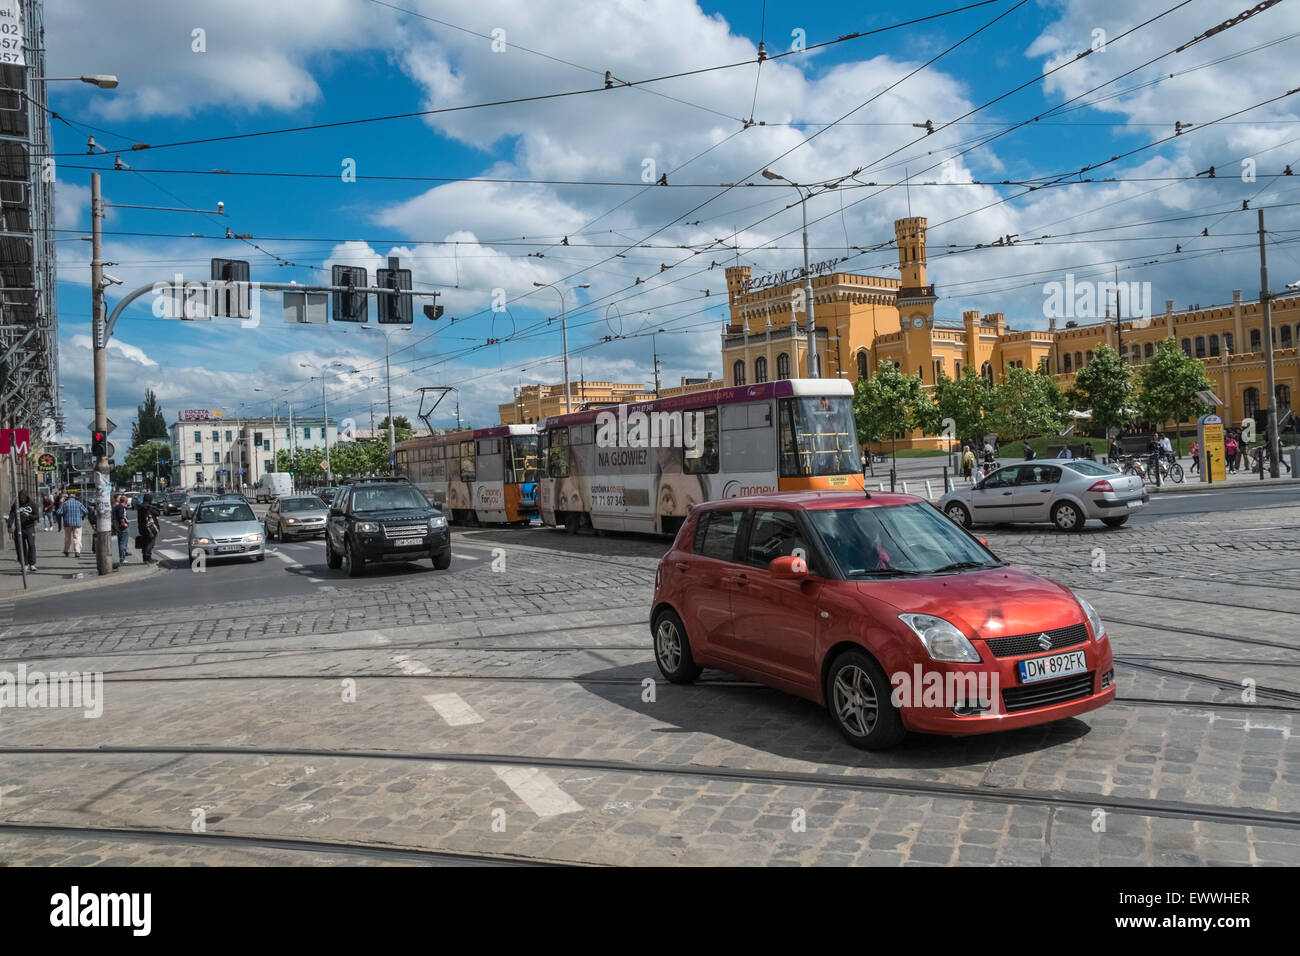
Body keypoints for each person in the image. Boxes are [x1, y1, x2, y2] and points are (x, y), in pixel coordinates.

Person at [8, 491, 38, 571]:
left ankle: (32, 563)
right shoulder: (16, 505)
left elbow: (37, 516)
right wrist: (9, 526)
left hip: (29, 527)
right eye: (20, 498)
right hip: (19, 528)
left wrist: (29, 516)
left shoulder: (32, 504)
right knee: (21, 547)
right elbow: (11, 515)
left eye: (23, 498)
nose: (22, 500)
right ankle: (24, 564)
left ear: (26, 497)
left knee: (31, 545)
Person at [56, 492, 88, 558]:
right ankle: (77, 552)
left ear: (68, 498)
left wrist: (64, 515)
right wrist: (81, 516)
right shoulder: (79, 503)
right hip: (77, 523)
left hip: (67, 523)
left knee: (67, 538)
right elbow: (86, 511)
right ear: (75, 498)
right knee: (77, 537)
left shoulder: (65, 504)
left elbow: (58, 512)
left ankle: (66, 551)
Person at [137, 492, 161, 563]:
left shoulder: (140, 507)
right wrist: (153, 507)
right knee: (150, 542)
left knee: (144, 543)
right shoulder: (148, 507)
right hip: (150, 528)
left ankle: (145, 558)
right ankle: (148, 558)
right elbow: (157, 513)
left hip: (141, 527)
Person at [112, 494, 129, 567]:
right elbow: (121, 516)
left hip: (118, 527)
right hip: (122, 527)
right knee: (123, 543)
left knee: (120, 542)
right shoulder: (121, 507)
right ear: (125, 501)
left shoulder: (117, 506)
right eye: (127, 500)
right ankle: (122, 558)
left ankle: (120, 557)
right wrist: (124, 523)